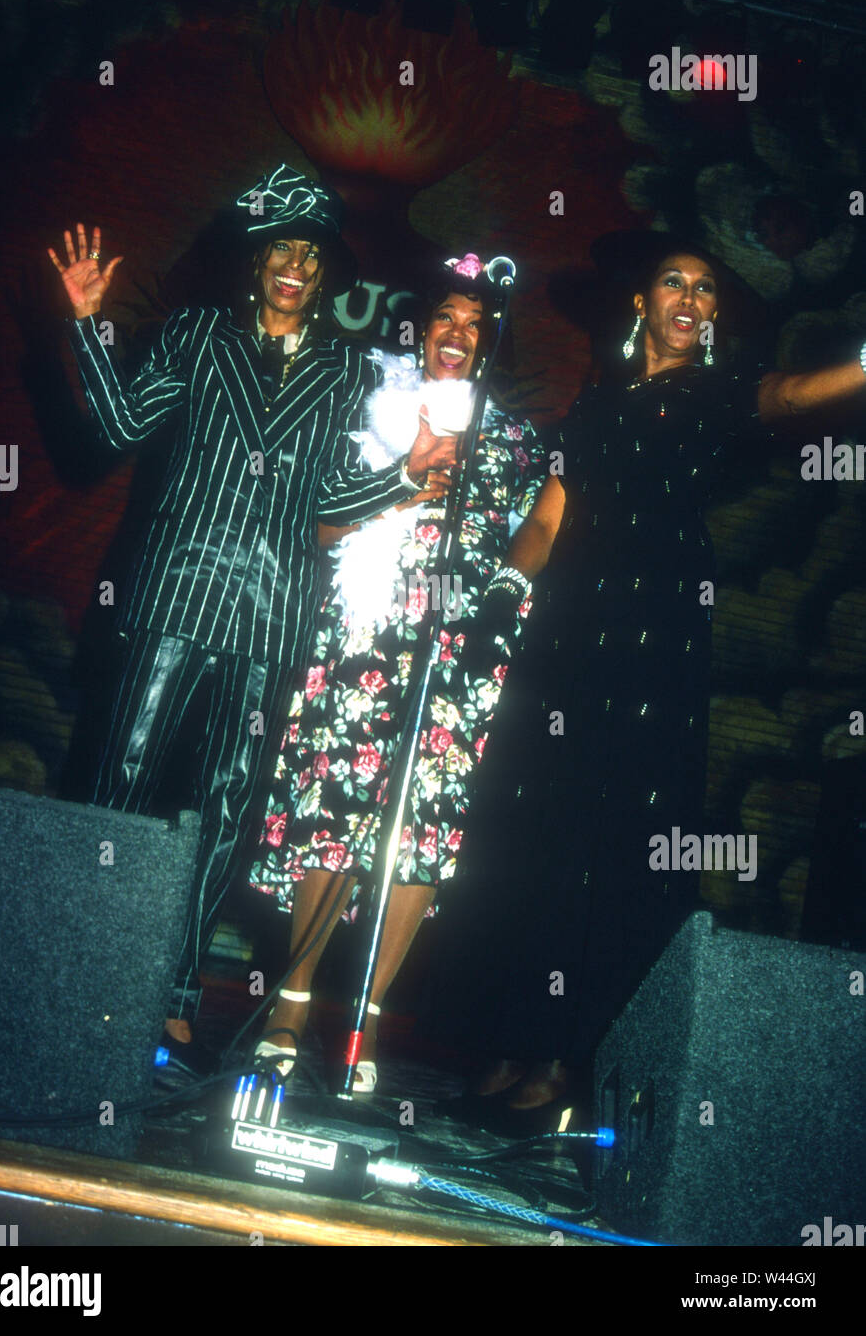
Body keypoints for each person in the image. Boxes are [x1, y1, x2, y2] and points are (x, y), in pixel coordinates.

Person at [439, 231, 866, 1127]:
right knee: (538, 826)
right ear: (641, 304)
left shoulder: (715, 392)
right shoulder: (596, 408)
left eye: (706, 290)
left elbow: (790, 394)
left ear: (711, 318)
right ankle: (514, 1039)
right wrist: (505, 589)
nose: (690, 297)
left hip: (653, 629)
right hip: (568, 630)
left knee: (611, 833)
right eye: (673, 280)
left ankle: (566, 1060)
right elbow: (549, 518)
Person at [47, 164, 456, 1068]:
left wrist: (407, 471)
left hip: (271, 617)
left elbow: (331, 493)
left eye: (312, 255)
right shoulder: (196, 337)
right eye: (282, 248)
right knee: (119, 776)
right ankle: (81, 966)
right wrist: (84, 323)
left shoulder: (347, 372)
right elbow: (116, 429)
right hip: (175, 596)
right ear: (255, 262)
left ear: (326, 277)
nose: (295, 265)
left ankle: (175, 992)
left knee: (227, 806)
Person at [247, 252, 547, 1093]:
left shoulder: (520, 441)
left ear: (494, 341)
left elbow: (543, 533)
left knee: (420, 834)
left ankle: (365, 1028)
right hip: (365, 636)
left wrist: (498, 605)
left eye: (474, 322)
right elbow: (312, 528)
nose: (456, 334)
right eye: (443, 317)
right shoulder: (366, 403)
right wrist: (399, 480)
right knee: (336, 808)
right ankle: (292, 1004)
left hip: (460, 652)